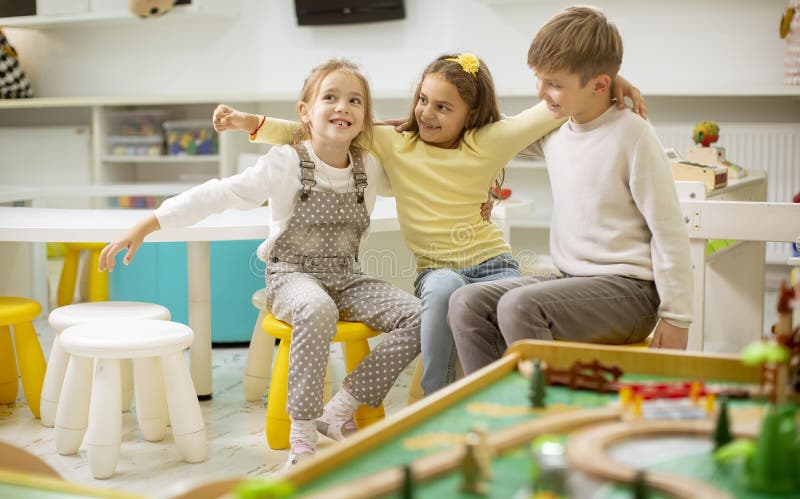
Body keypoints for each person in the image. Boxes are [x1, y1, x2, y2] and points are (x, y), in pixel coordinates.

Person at [212, 55, 645, 396]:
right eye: (423, 100)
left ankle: (509, 394)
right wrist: (250, 123)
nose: (427, 114)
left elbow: (551, 108)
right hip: (437, 267)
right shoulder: (394, 141)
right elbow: (315, 130)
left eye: (443, 107)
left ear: (470, 114)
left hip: (492, 262)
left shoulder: (490, 140)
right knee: (440, 297)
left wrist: (608, 82)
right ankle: (438, 395)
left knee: (506, 310)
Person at [98, 59, 422, 470]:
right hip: (292, 276)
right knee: (317, 309)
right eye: (331, 97)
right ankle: (302, 435)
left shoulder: (370, 167)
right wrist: (147, 224)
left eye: (355, 100)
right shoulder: (285, 161)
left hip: (348, 275)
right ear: (305, 111)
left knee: (420, 315)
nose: (343, 106)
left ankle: (340, 408)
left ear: (365, 117)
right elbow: (218, 194)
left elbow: (424, 179)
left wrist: (484, 191)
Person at [448, 6, 693, 377]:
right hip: (571, 284)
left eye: (554, 83)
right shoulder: (554, 129)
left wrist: (677, 317)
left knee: (519, 307)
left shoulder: (634, 135)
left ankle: (546, 414)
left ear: (599, 85)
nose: (541, 92)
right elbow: (493, 136)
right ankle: (494, 409)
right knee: (467, 301)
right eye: (539, 79)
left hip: (631, 293)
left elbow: (669, 229)